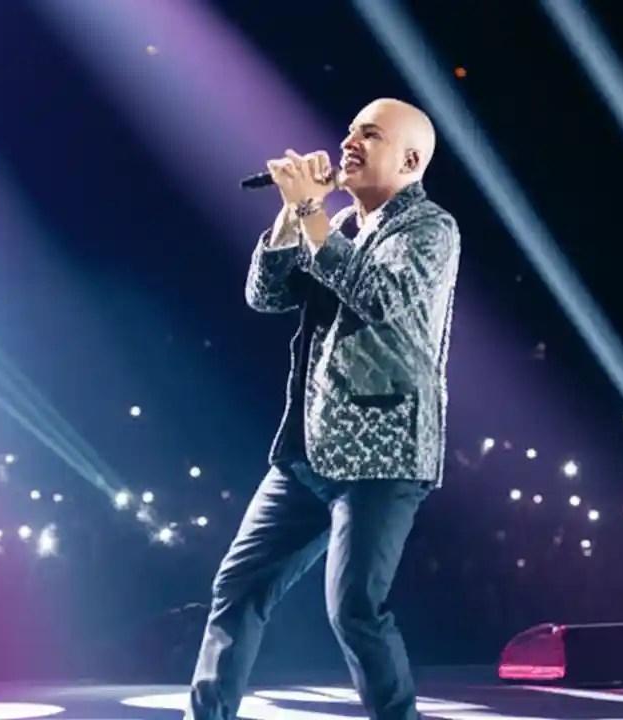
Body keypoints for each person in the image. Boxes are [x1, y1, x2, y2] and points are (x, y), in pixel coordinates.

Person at [186, 98, 460, 720]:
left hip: (383, 453)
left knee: (355, 609)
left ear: (411, 159)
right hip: (307, 453)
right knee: (238, 586)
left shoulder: (429, 229)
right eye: (349, 130)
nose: (348, 142)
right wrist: (292, 215)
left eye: (370, 134)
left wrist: (312, 210)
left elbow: (379, 295)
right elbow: (265, 295)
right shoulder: (337, 228)